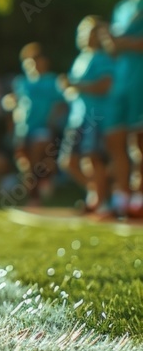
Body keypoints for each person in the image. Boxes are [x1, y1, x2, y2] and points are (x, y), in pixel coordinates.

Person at [59, 16, 115, 215]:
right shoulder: (80, 59)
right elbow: (76, 91)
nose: (86, 37)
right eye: (83, 32)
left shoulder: (103, 57)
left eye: (91, 32)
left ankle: (101, 203)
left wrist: (75, 86)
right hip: (77, 117)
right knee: (68, 161)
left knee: (92, 158)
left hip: (95, 116)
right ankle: (97, 193)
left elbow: (105, 85)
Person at [2, 43, 65, 204]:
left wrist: (52, 123)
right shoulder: (21, 82)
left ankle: (44, 183)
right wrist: (10, 104)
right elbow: (14, 102)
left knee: (38, 154)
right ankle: (34, 196)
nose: (33, 64)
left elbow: (60, 104)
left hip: (43, 126)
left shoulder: (52, 81)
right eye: (29, 61)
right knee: (25, 162)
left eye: (36, 60)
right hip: (23, 128)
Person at [100, 0, 143, 218]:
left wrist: (124, 42)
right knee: (114, 139)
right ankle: (121, 199)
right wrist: (111, 42)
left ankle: (139, 198)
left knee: (139, 143)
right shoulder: (121, 8)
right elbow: (114, 50)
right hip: (121, 82)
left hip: (141, 81)